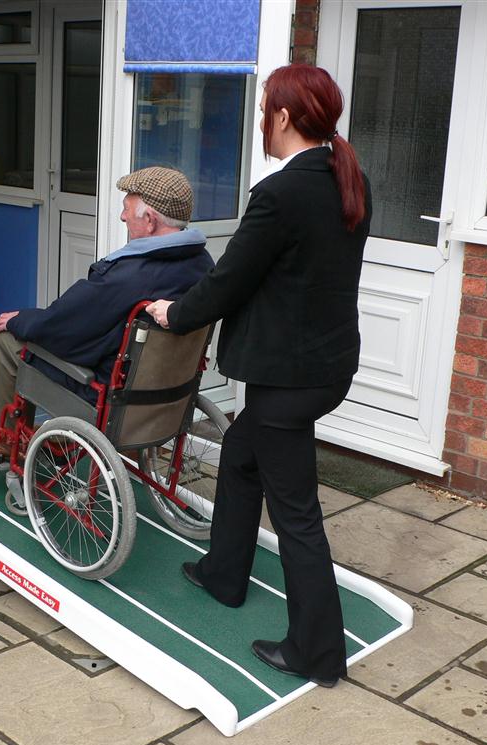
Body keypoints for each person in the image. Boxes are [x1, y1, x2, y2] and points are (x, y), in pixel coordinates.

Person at [146, 63, 372, 688]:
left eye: (266, 108)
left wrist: (176, 313)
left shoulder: (282, 192)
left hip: (288, 378)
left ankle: (317, 653)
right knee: (242, 459)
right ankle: (224, 573)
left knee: (297, 515)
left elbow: (232, 278)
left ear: (283, 116)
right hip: (324, 367)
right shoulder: (347, 178)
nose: (261, 123)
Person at [0, 166, 215, 455]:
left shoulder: (130, 276)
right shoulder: (203, 264)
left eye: (126, 210)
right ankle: (60, 440)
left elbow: (64, 326)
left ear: (150, 221)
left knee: (9, 340)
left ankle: (9, 440)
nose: (122, 217)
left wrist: (21, 320)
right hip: (166, 393)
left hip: (105, 395)